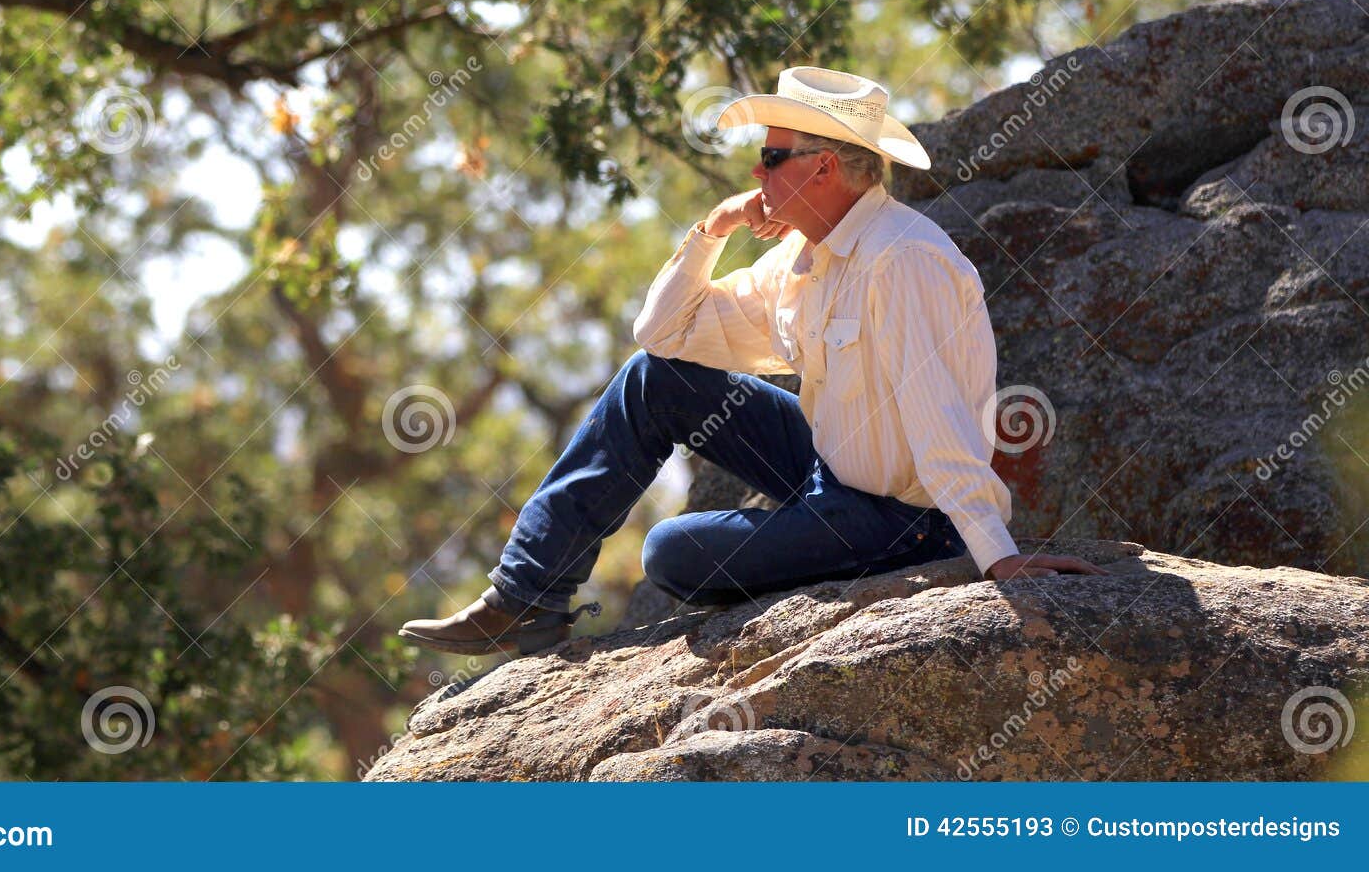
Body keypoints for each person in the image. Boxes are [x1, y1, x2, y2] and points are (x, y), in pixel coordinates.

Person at [399, 67, 1104, 656]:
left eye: (771, 158)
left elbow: (938, 413)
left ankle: (864, 558)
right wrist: (716, 228)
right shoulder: (798, 259)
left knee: (671, 553)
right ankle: (526, 595)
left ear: (824, 166)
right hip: (829, 473)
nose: (756, 171)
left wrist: (994, 551)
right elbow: (664, 334)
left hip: (905, 519)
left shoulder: (902, 258)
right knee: (653, 383)